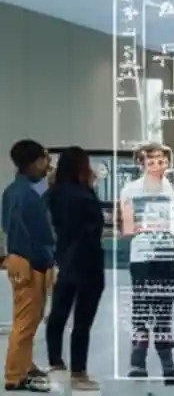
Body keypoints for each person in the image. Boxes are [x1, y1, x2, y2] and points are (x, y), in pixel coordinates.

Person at [118, 143, 174, 384]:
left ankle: (167, 363)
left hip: (169, 255)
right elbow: (127, 227)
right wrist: (152, 226)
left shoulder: (171, 189)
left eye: (162, 159)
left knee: (165, 310)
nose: (157, 164)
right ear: (141, 163)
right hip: (144, 256)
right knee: (143, 308)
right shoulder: (130, 189)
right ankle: (138, 361)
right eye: (152, 159)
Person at [43, 147, 105, 391]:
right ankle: (79, 372)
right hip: (88, 261)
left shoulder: (53, 193)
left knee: (58, 313)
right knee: (82, 320)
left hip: (64, 259)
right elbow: (93, 229)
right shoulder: (84, 194)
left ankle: (55, 364)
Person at [3, 139, 54, 393]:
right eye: (44, 159)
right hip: (31, 263)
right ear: (34, 162)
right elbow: (43, 234)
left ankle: (24, 364)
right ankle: (14, 376)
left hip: (18, 260)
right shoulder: (29, 196)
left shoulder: (12, 191)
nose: (47, 165)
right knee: (25, 323)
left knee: (25, 319)